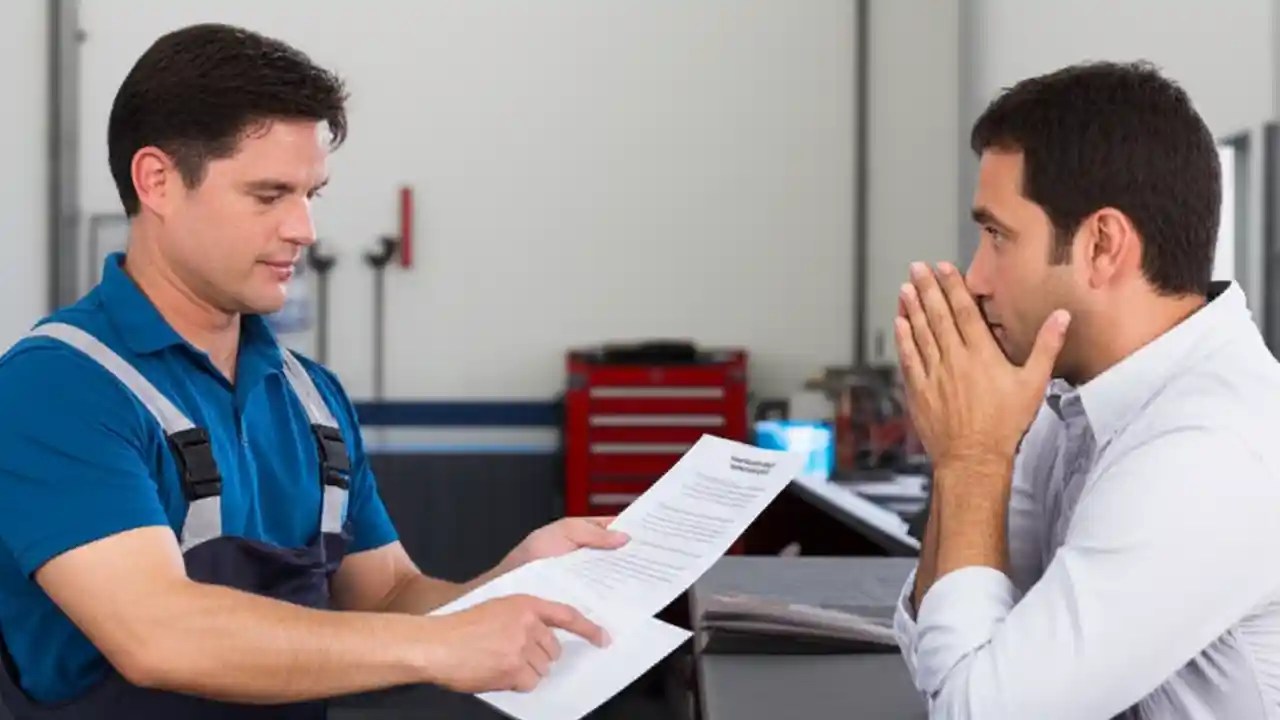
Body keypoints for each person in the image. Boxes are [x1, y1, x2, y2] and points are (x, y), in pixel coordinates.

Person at [0, 23, 629, 719]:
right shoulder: (55, 389)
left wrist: (507, 585)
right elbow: (158, 634)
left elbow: (388, 599)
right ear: (158, 181)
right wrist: (438, 647)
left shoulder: (312, 399)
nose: (304, 229)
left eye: (311, 195)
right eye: (268, 196)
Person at [892, 61, 1280, 719]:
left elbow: (974, 710)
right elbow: (938, 652)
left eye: (997, 236)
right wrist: (963, 445)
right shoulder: (1069, 402)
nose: (976, 278)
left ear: (1101, 245)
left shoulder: (1214, 449)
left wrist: (973, 458)